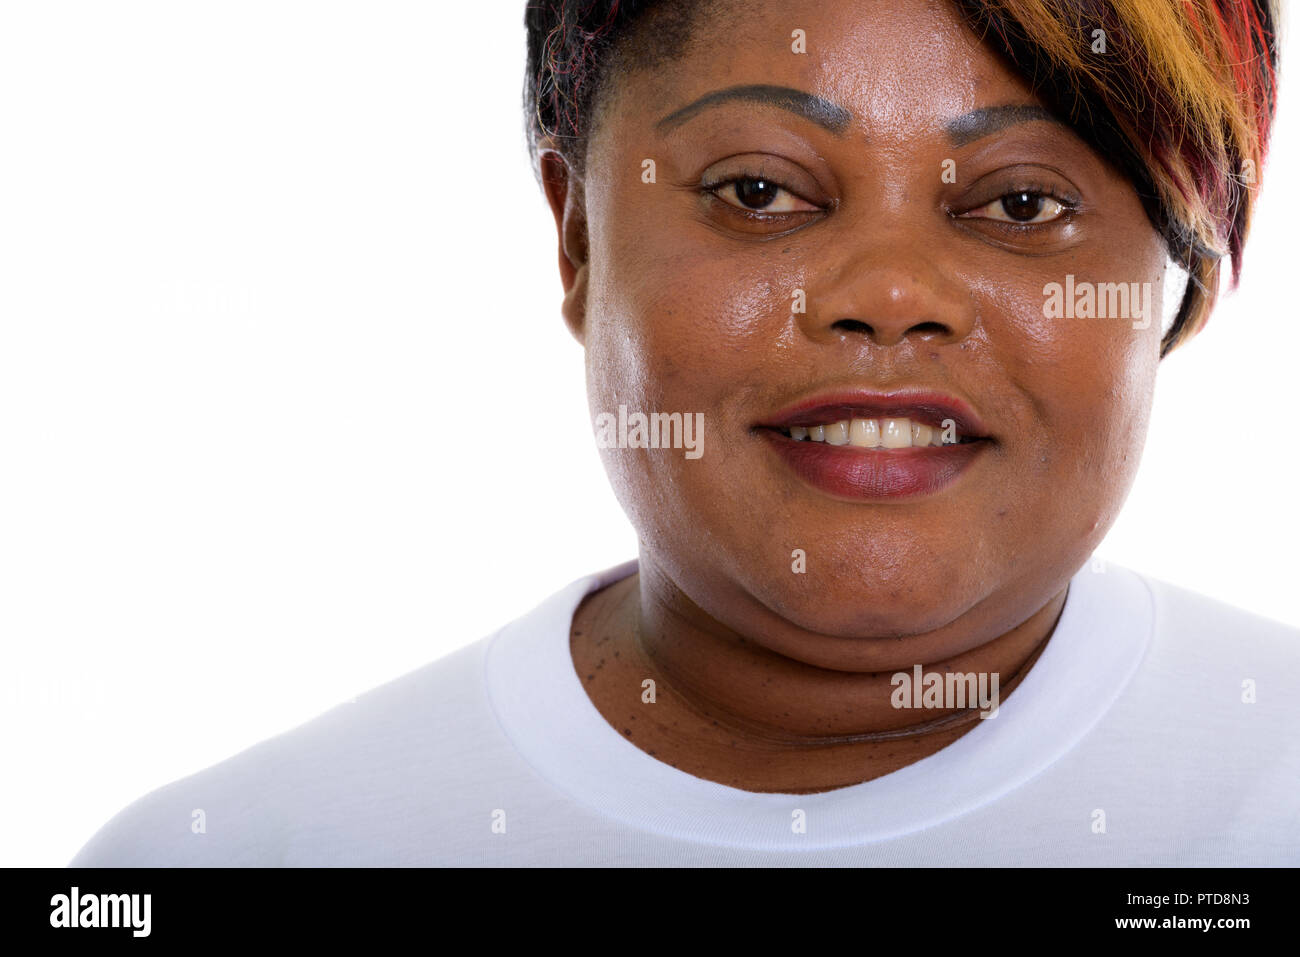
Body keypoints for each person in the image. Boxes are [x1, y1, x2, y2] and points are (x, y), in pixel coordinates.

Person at [72, 0, 1297, 866]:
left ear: (1175, 285)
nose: (887, 291)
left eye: (1023, 203)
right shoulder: (228, 858)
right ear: (579, 240)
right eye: (758, 190)